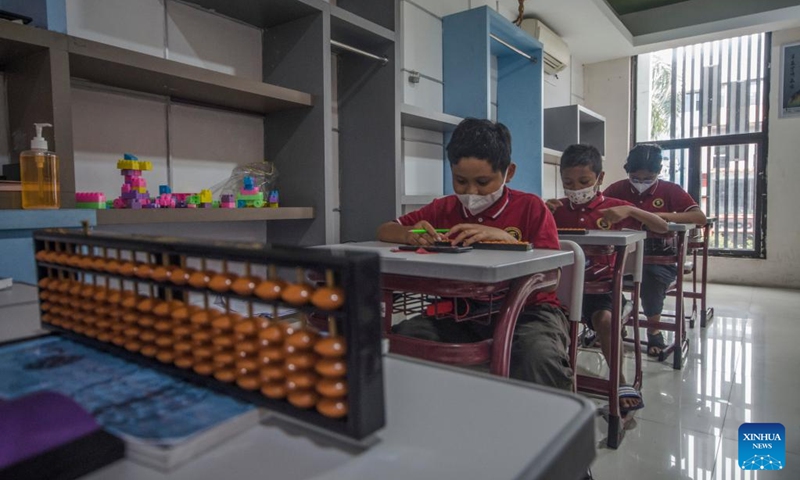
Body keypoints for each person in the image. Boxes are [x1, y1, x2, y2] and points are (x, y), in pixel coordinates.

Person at [377, 118, 573, 391]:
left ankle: (552, 416)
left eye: (483, 182)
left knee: (538, 356)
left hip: (530, 312)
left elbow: (552, 279)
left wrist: (510, 242)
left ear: (509, 172)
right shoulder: (443, 208)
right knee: (407, 338)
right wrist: (409, 234)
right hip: (460, 312)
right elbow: (385, 229)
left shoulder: (531, 208)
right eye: (460, 181)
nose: (471, 192)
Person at [547, 144, 668, 413]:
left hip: (603, 290)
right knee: (543, 321)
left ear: (600, 178)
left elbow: (662, 227)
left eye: (584, 182)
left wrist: (632, 211)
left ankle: (619, 380)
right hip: (563, 289)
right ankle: (556, 378)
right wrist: (543, 211)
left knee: (605, 321)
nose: (575, 189)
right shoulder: (557, 208)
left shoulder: (615, 207)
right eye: (568, 183)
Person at [603, 144, 707, 358]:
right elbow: (599, 210)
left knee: (651, 279)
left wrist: (661, 217)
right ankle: (617, 319)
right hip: (624, 256)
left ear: (658, 172)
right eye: (635, 178)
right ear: (627, 171)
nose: (641, 182)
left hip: (659, 257)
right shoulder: (617, 189)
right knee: (600, 276)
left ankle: (654, 330)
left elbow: (699, 218)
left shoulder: (670, 190)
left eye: (648, 178)